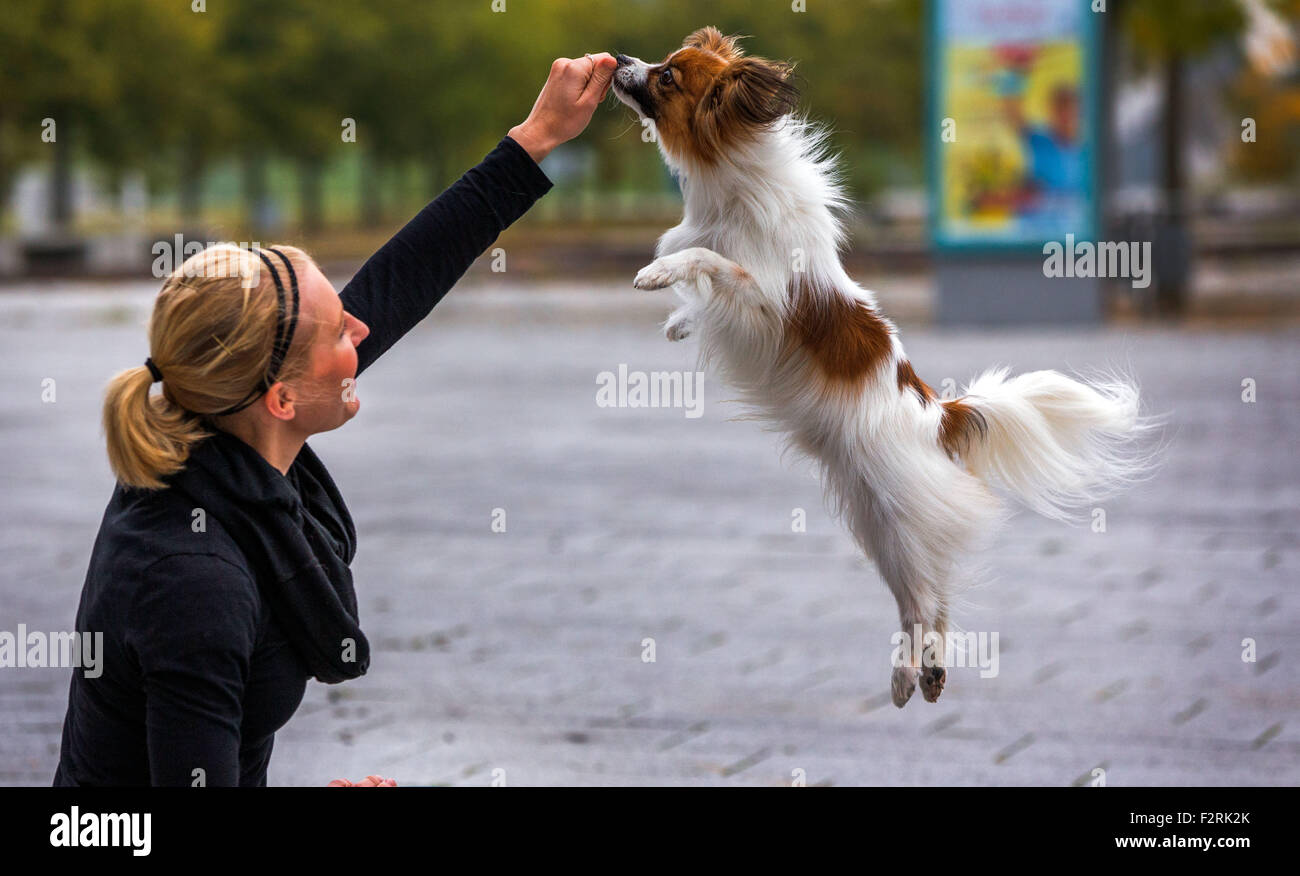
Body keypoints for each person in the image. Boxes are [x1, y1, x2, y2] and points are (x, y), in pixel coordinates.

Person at [52, 52, 619, 787]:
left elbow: (396, 284)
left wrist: (536, 137)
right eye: (336, 331)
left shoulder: (222, 444)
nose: (360, 329)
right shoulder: (193, 579)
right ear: (281, 401)